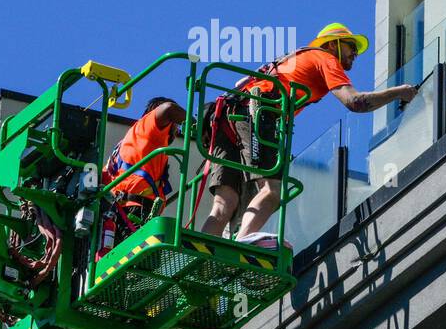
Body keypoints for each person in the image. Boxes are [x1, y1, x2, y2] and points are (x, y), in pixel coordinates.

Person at [201, 23, 417, 239]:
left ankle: (203, 256)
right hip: (255, 113)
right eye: (351, 46)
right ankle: (243, 245)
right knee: (272, 191)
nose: (355, 54)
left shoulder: (296, 58)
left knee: (225, 202)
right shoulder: (325, 58)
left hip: (224, 118)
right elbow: (356, 102)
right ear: (333, 44)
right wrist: (399, 92)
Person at [101, 96, 187, 253]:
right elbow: (169, 108)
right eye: (177, 124)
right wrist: (196, 123)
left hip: (118, 214)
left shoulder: (129, 143)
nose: (178, 130)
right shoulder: (149, 127)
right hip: (133, 211)